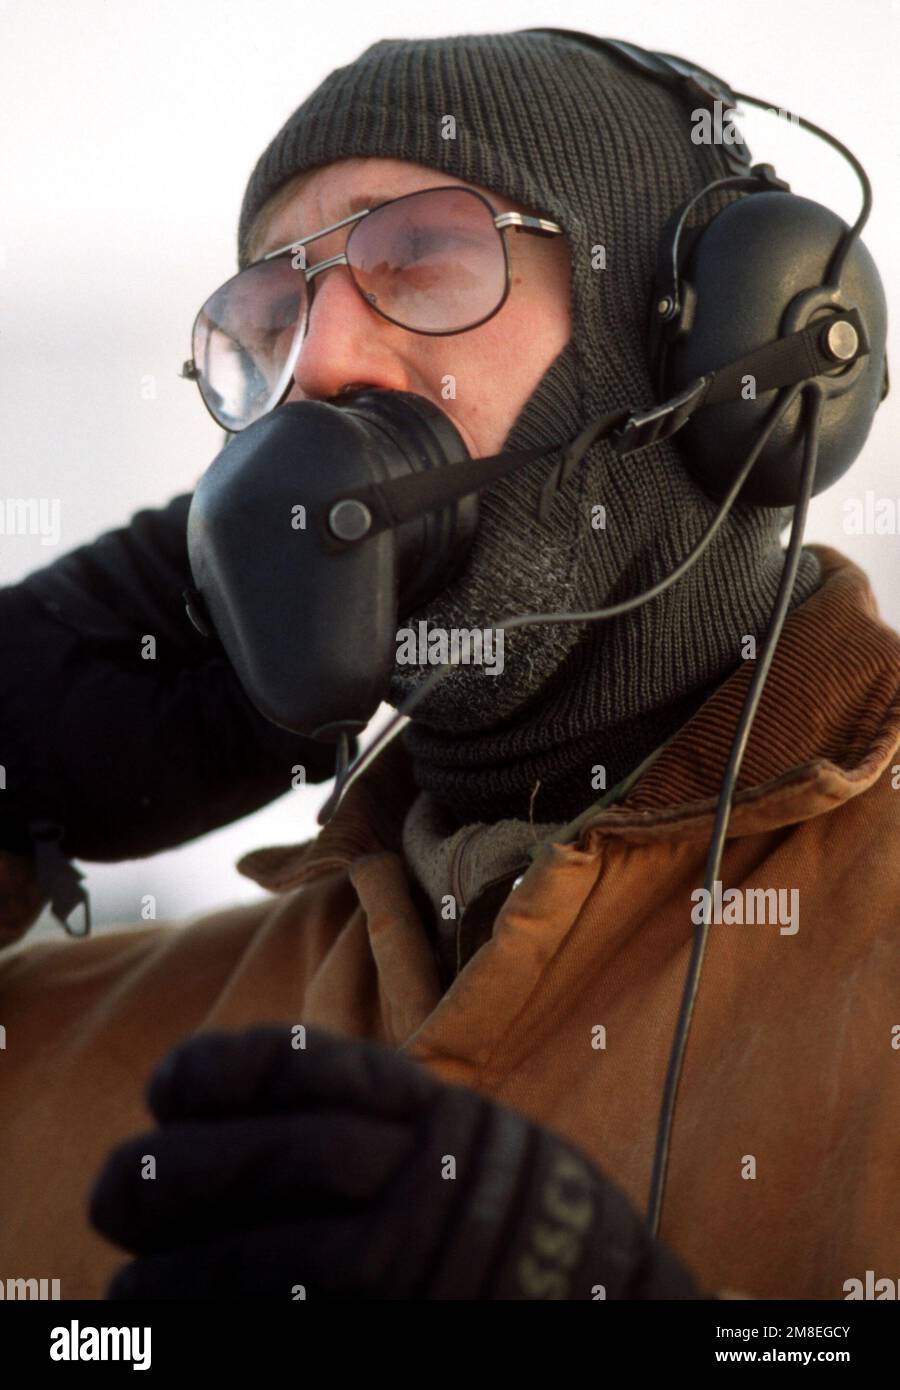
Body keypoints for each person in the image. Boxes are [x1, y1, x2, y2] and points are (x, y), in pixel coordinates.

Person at [0, 29, 897, 1302]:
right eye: (270, 312)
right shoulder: (137, 1046)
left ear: (724, 355)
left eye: (417, 256)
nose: (315, 366)